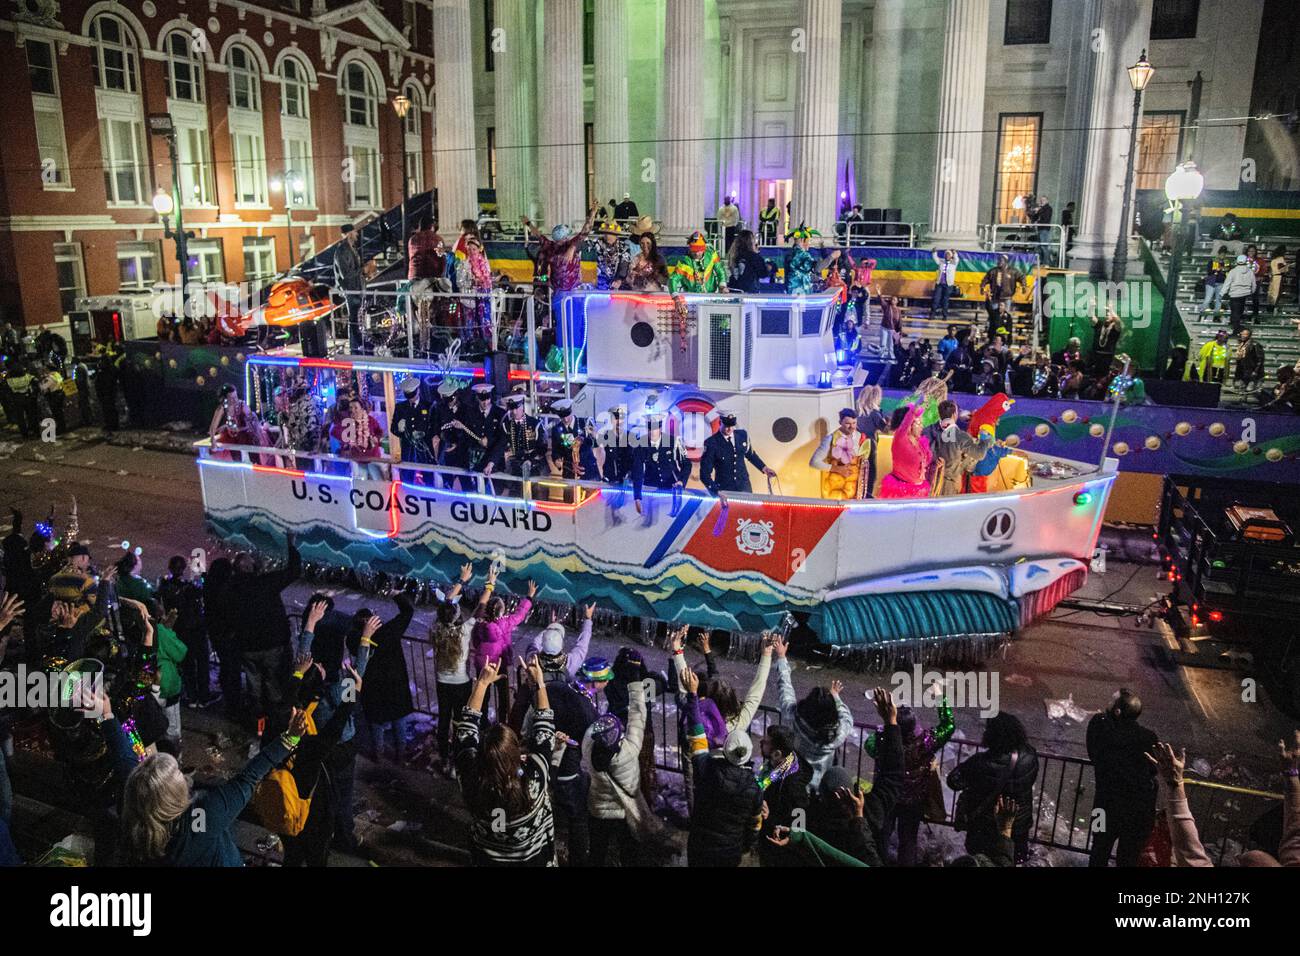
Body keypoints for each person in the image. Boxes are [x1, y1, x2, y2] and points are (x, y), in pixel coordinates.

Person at [114, 687, 306, 865]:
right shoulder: (201, 819)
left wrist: (106, 716)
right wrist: (290, 738)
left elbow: (125, 761)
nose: (181, 773)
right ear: (175, 795)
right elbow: (248, 777)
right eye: (177, 774)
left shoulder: (134, 813)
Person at [454, 657, 557, 865]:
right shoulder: (532, 781)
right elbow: (545, 727)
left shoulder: (471, 779)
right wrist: (538, 683)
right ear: (516, 754)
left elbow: (465, 729)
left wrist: (482, 683)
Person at [679, 666, 764, 867]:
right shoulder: (754, 787)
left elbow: (697, 731)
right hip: (730, 852)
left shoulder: (705, 768)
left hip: (701, 846)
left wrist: (692, 694)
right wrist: (746, 846)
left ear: (725, 748)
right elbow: (755, 824)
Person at [864, 694, 954, 866]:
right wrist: (941, 699)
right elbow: (949, 726)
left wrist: (885, 724)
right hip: (914, 800)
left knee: (881, 834)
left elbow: (869, 745)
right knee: (908, 841)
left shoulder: (884, 742)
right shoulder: (925, 742)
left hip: (887, 797)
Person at [948, 711, 1040, 863]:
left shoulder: (980, 763)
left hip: (985, 829)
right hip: (1018, 825)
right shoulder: (1029, 757)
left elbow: (954, 781)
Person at [582, 677, 650, 866]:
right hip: (623, 811)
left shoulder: (588, 745)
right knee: (629, 852)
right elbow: (637, 718)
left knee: (597, 851)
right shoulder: (627, 753)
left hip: (598, 809)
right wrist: (635, 684)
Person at [1086, 689, 1158, 867]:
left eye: (1112, 702)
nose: (1108, 705)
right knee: (1128, 857)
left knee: (1098, 850)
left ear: (1117, 711)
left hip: (1103, 806)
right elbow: (1152, 768)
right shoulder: (1149, 737)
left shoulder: (1100, 727)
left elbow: (1093, 749)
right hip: (1138, 812)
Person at [772, 634, 852, 787]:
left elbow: (785, 688)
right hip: (822, 785)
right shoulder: (836, 735)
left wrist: (782, 657)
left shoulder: (795, 718)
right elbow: (847, 717)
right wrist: (836, 697)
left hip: (794, 779)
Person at [755, 724, 814, 866]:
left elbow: (798, 825)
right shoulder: (779, 765)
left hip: (778, 850)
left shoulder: (793, 785)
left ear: (777, 754)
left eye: (766, 742)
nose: (761, 742)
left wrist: (769, 818)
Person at [524, 206, 597, 295]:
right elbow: (586, 231)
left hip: (557, 289)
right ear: (565, 237)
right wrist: (592, 214)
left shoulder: (549, 245)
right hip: (574, 289)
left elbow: (537, 234)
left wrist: (528, 223)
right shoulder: (571, 244)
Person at [698, 411, 775, 495]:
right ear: (720, 423)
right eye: (727, 426)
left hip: (744, 487)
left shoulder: (742, 435)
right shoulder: (711, 443)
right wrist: (716, 491)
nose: (730, 429)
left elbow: (750, 454)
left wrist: (764, 468)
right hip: (724, 489)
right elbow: (704, 474)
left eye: (732, 425)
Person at [629, 415, 691, 512]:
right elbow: (638, 470)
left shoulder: (673, 442)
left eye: (655, 429)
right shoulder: (640, 444)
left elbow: (687, 464)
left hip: (671, 488)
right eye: (650, 428)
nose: (652, 432)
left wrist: (681, 481)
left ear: (660, 428)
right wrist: (637, 496)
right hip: (650, 488)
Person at [809, 407, 869, 499]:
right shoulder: (830, 439)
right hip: (834, 490)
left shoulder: (860, 437)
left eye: (854, 423)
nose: (852, 427)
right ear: (840, 422)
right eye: (848, 423)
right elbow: (814, 462)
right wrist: (837, 469)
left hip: (855, 490)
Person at [879, 402, 932, 499]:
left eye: (922, 423)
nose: (922, 426)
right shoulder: (901, 440)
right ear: (910, 424)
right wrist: (912, 412)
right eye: (918, 423)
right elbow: (903, 426)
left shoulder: (919, 442)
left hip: (919, 491)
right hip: (902, 493)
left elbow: (924, 464)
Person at [485, 393, 545, 478]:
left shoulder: (535, 424)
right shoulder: (507, 426)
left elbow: (542, 448)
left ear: (522, 406)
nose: (514, 412)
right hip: (517, 467)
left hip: (536, 468)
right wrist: (491, 464)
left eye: (516, 408)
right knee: (515, 490)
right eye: (511, 409)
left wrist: (530, 460)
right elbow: (500, 446)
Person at [390, 376, 436, 479]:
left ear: (418, 391)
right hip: (408, 450)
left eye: (413, 395)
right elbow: (393, 428)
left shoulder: (428, 406)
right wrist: (399, 430)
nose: (411, 398)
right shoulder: (400, 407)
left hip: (424, 449)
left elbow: (434, 427)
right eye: (408, 396)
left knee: (428, 479)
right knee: (407, 478)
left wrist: (424, 433)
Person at [545, 398, 598, 481]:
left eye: (567, 416)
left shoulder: (585, 423)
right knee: (569, 494)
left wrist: (595, 436)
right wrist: (557, 460)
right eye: (562, 417)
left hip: (588, 472)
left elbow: (595, 444)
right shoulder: (557, 429)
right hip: (569, 473)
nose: (565, 420)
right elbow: (556, 451)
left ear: (571, 411)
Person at [333, 223, 367, 351]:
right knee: (354, 318)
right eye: (355, 232)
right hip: (351, 289)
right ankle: (356, 346)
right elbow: (345, 274)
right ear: (349, 234)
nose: (357, 234)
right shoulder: (342, 250)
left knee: (356, 317)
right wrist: (362, 270)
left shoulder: (350, 248)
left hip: (356, 288)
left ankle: (357, 345)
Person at [979, 255, 1026, 340]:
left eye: (1001, 260)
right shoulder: (993, 271)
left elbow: (1022, 276)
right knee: (993, 315)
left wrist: (1023, 286)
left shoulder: (1013, 271)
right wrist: (982, 287)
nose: (999, 261)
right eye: (999, 260)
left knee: (1005, 316)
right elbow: (985, 279)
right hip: (995, 297)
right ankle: (992, 333)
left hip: (1007, 297)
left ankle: (1004, 335)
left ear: (1006, 261)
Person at [625, 223, 669, 291]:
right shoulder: (636, 258)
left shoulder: (659, 259)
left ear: (652, 244)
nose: (645, 246)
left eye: (648, 243)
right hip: (638, 293)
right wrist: (636, 272)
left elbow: (666, 280)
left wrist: (656, 275)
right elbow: (629, 279)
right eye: (642, 243)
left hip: (655, 294)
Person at [1223, 254, 1257, 334]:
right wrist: (1252, 291)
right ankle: (1235, 325)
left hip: (1234, 294)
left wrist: (1223, 292)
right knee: (1239, 310)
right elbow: (1254, 284)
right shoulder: (1250, 271)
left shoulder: (1233, 271)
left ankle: (1235, 328)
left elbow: (1227, 283)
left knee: (1235, 311)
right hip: (1245, 294)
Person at [593, 221, 632, 290]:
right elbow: (588, 270)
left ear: (616, 235)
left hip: (616, 287)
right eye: (606, 233)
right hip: (596, 286)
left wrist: (619, 280)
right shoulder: (593, 245)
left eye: (611, 233)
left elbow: (624, 266)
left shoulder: (624, 247)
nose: (608, 235)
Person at [782, 225, 818, 294]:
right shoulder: (802, 254)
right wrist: (831, 257)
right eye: (808, 241)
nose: (809, 244)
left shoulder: (789, 254)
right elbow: (817, 268)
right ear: (802, 240)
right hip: (801, 293)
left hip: (790, 291)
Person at [1088, 310, 1124, 376]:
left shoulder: (1115, 328)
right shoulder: (1100, 324)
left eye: (1109, 314)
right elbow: (1091, 317)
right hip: (1095, 356)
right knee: (1092, 377)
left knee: (1104, 378)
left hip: (1107, 358)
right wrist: (1092, 306)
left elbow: (1118, 322)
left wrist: (1111, 309)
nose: (1107, 314)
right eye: (1106, 313)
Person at [1232, 328, 1266, 393]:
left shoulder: (1255, 345)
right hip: (1243, 371)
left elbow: (1260, 359)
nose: (1243, 335)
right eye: (1242, 334)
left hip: (1252, 370)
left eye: (1245, 334)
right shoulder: (1241, 344)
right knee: (1242, 389)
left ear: (1249, 335)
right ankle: (1242, 401)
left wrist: (1256, 371)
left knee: (1250, 390)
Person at [931, 249, 959, 321]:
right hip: (939, 284)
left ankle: (944, 316)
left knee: (945, 300)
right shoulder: (941, 262)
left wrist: (955, 253)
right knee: (936, 299)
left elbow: (956, 259)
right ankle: (932, 314)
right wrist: (934, 252)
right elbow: (935, 259)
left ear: (951, 256)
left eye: (949, 255)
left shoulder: (954, 263)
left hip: (948, 285)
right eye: (946, 254)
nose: (947, 256)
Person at [1268, 246, 1289, 312]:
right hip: (1279, 277)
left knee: (1271, 292)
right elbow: (1281, 269)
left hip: (1273, 277)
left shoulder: (1274, 259)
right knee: (1277, 293)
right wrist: (1287, 266)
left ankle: (1270, 306)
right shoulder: (1281, 259)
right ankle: (1274, 307)